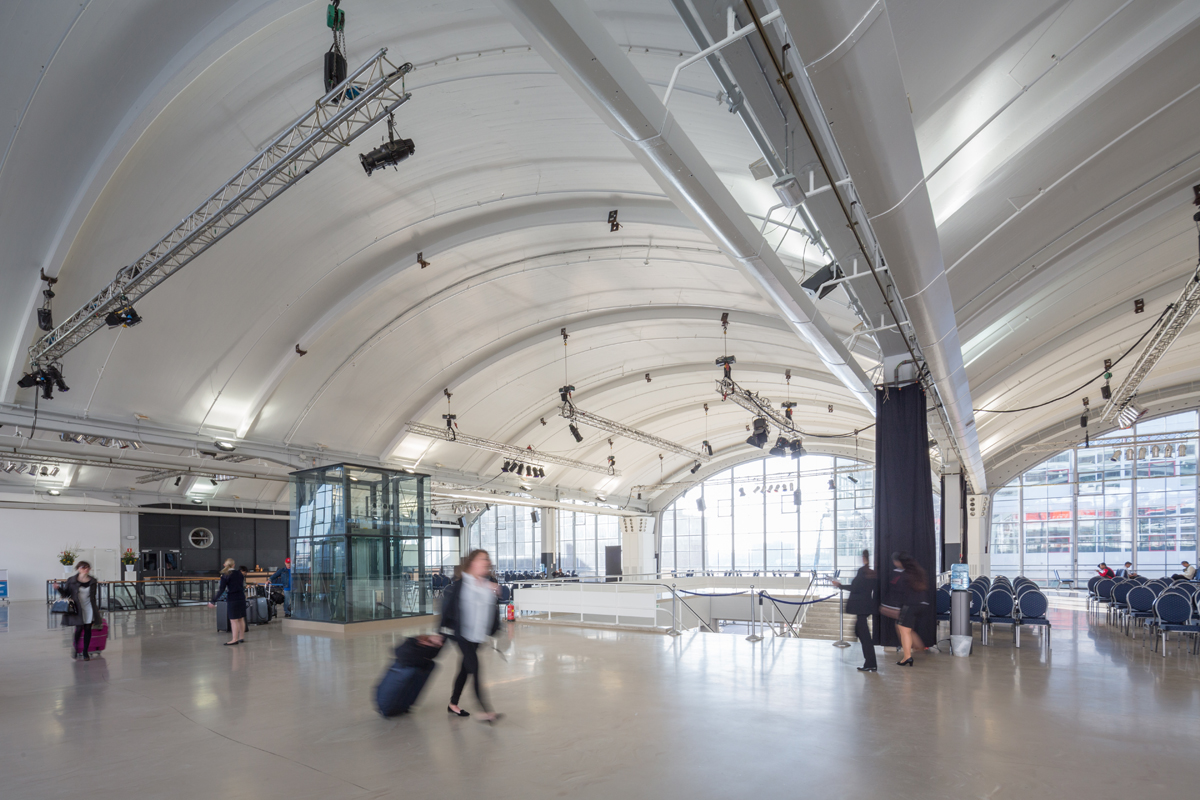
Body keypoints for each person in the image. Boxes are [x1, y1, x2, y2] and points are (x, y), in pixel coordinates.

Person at [440, 549, 501, 722]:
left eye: (487, 559)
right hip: (461, 635)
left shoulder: (489, 584)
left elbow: (493, 611)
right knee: (475, 668)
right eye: (482, 559)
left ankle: (453, 704)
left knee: (464, 670)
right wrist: (438, 633)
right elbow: (446, 611)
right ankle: (485, 711)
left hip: (478, 635)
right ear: (472, 563)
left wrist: (495, 592)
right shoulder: (460, 585)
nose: (486, 562)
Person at [831, 549, 877, 672]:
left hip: (861, 607)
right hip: (865, 607)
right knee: (860, 631)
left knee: (863, 635)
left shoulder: (862, 572)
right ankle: (869, 661)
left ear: (863, 558)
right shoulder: (871, 573)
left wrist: (839, 585)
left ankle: (870, 663)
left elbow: (855, 588)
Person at [57, 561, 102, 661]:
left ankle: (85, 652)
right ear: (78, 568)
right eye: (83, 567)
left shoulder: (93, 581)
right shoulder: (72, 580)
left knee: (87, 629)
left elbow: (93, 597)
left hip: (89, 607)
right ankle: (76, 648)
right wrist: (59, 588)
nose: (86, 569)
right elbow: (66, 594)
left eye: (88, 567)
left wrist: (96, 610)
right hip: (77, 608)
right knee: (78, 629)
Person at [893, 552, 928, 666]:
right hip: (921, 604)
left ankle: (907, 657)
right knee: (907, 630)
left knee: (904, 631)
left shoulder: (904, 575)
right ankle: (917, 649)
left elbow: (900, 593)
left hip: (910, 605)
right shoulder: (919, 572)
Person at [208, 558, 247, 646]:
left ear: (225, 565)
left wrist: (213, 601)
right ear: (233, 565)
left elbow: (221, 590)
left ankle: (234, 639)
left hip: (232, 598)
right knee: (241, 618)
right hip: (241, 597)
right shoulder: (239, 573)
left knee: (233, 620)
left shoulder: (225, 575)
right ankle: (241, 637)